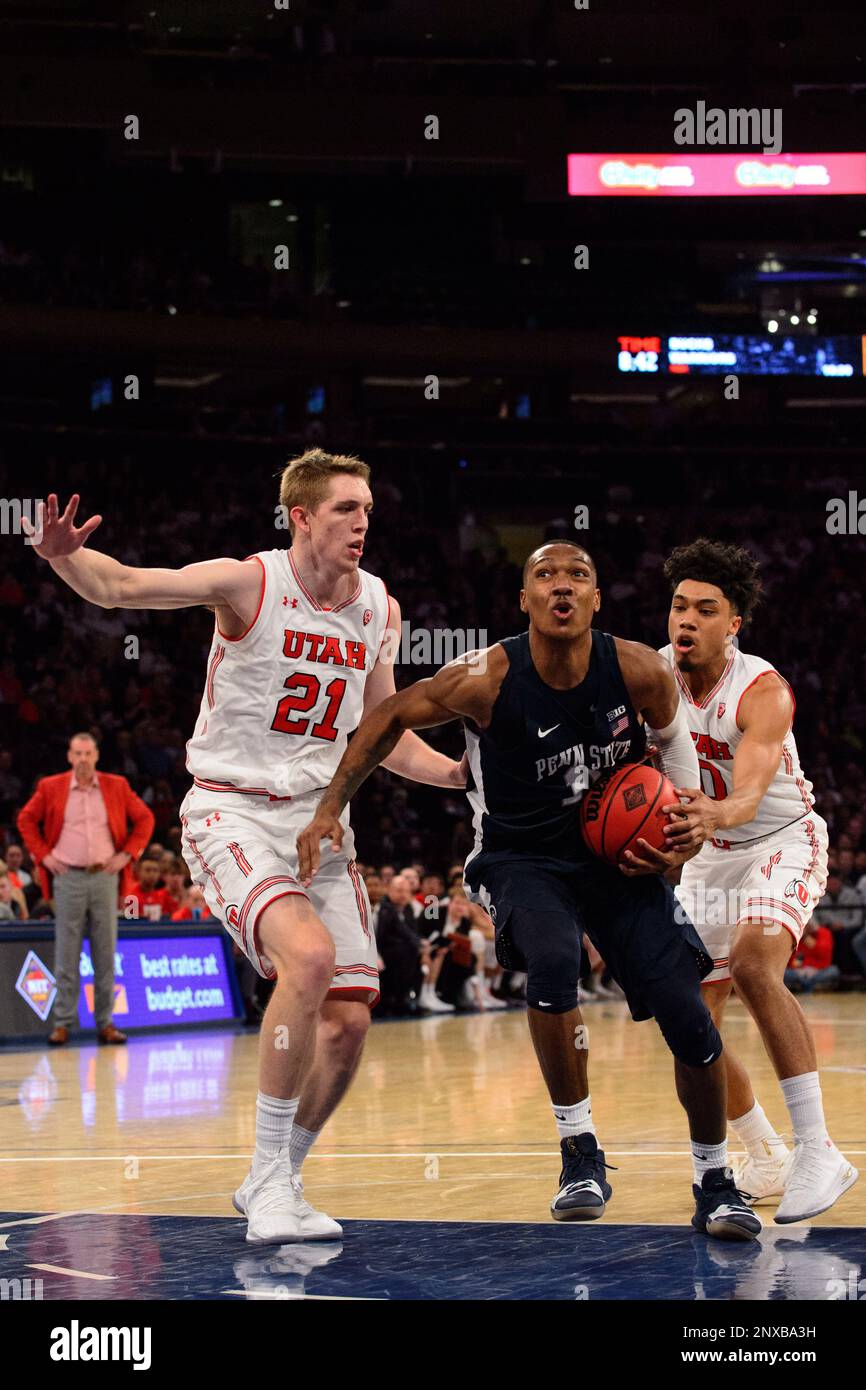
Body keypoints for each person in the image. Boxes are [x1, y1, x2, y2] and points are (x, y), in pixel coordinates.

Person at [25, 459, 465, 1244]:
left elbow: (383, 739)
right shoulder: (248, 584)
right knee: (309, 958)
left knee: (351, 1022)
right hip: (232, 811)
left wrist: (462, 775)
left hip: (320, 823)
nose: (361, 522)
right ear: (299, 516)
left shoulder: (378, 607)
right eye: (343, 509)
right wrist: (62, 555)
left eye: (366, 508)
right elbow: (122, 585)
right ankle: (267, 1179)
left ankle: (276, 1176)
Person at [298, 540, 760, 1240]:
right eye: (545, 576)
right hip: (519, 858)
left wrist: (685, 826)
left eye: (579, 575)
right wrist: (330, 805)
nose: (563, 586)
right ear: (525, 600)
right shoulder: (485, 677)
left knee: (688, 1014)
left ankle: (715, 1179)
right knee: (550, 962)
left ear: (597, 599)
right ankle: (579, 1150)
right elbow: (387, 715)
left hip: (617, 860)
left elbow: (676, 746)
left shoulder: (637, 669)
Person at [658, 538, 858, 1223]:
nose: (687, 620)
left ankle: (818, 1149)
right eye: (679, 606)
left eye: (706, 610)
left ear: (734, 623)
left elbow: (746, 794)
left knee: (751, 963)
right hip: (711, 855)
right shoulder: (652, 678)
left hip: (779, 837)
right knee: (683, 1013)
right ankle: (764, 1151)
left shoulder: (762, 688)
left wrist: (715, 811)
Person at [17, 731, 154, 1046]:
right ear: (69, 756)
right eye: (77, 754)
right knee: (67, 952)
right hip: (68, 878)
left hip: (105, 876)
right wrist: (44, 856)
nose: (82, 759)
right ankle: (63, 1022)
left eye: (87, 753)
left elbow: (145, 818)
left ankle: (105, 1022)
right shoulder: (51, 787)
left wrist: (128, 854)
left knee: (106, 952)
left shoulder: (116, 786)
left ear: (96, 756)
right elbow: (25, 819)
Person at [784, 926, 839, 994]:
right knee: (785, 973)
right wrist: (800, 970)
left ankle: (806, 986)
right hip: (800, 972)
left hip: (818, 971)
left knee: (833, 971)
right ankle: (808, 986)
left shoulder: (823, 933)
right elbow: (794, 961)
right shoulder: (795, 937)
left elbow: (825, 958)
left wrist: (815, 969)